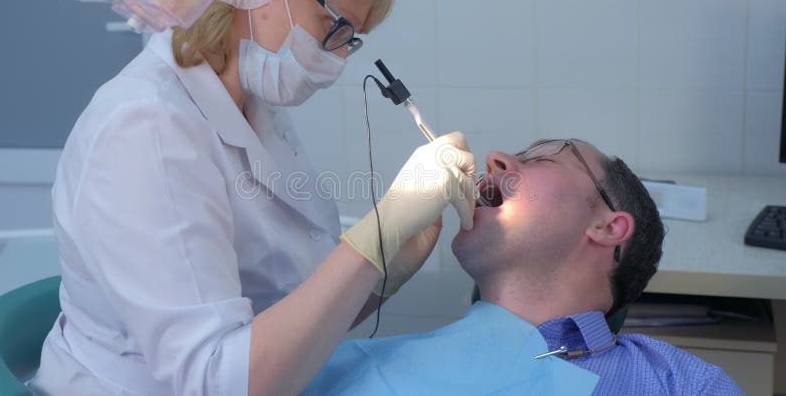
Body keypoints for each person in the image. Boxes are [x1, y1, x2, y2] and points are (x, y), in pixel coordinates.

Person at [29, 0, 477, 395]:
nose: (337, 58)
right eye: (334, 26)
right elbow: (217, 380)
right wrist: (375, 237)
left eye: (350, 38)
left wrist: (391, 263)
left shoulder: (251, 106)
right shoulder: (146, 132)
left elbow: (297, 315)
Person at [304, 139, 744, 395]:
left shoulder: (682, 384)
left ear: (609, 227)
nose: (496, 158)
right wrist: (369, 272)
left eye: (541, 160)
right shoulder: (354, 370)